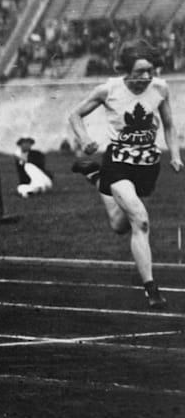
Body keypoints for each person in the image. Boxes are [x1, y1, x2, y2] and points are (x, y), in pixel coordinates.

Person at [68, 39, 180, 309]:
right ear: (125, 70)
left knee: (120, 225)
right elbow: (75, 114)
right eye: (140, 71)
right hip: (118, 163)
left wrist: (175, 154)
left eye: (150, 71)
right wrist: (84, 140)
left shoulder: (160, 89)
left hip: (146, 166)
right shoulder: (109, 90)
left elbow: (169, 125)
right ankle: (151, 288)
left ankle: (95, 176)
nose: (146, 77)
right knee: (141, 220)